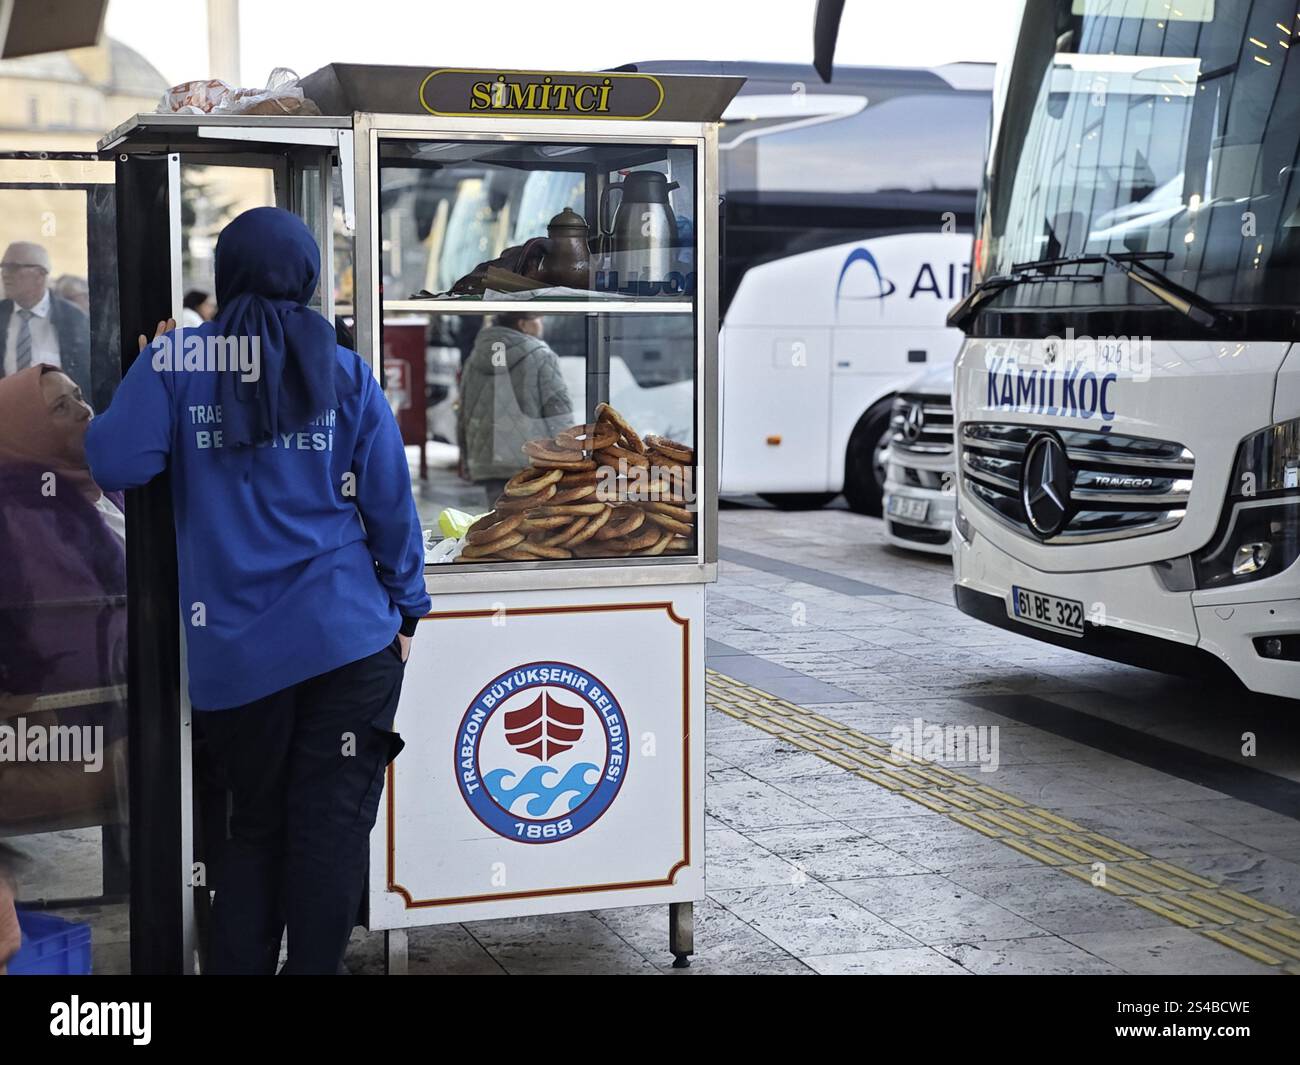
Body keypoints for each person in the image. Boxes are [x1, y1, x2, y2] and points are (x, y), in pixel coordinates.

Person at [85, 206, 431, 975]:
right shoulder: (343, 369)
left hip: (236, 660)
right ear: (308, 277)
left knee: (251, 831)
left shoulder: (180, 363)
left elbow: (115, 459)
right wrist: (408, 606)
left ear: (226, 272)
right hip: (348, 644)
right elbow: (389, 507)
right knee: (330, 830)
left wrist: (152, 368)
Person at [460, 312, 574, 505]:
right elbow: (558, 410)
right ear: (522, 324)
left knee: (500, 526)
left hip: (487, 463)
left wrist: (466, 458)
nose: (541, 323)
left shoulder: (475, 356)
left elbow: (463, 412)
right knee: (534, 526)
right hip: (531, 462)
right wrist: (569, 458)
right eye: (538, 318)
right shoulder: (541, 355)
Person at [0, 242, 91, 403]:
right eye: (3, 267)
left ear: (40, 274)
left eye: (13, 267)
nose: (5, 274)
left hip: (60, 420)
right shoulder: (2, 314)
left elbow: (87, 379)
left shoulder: (74, 320)